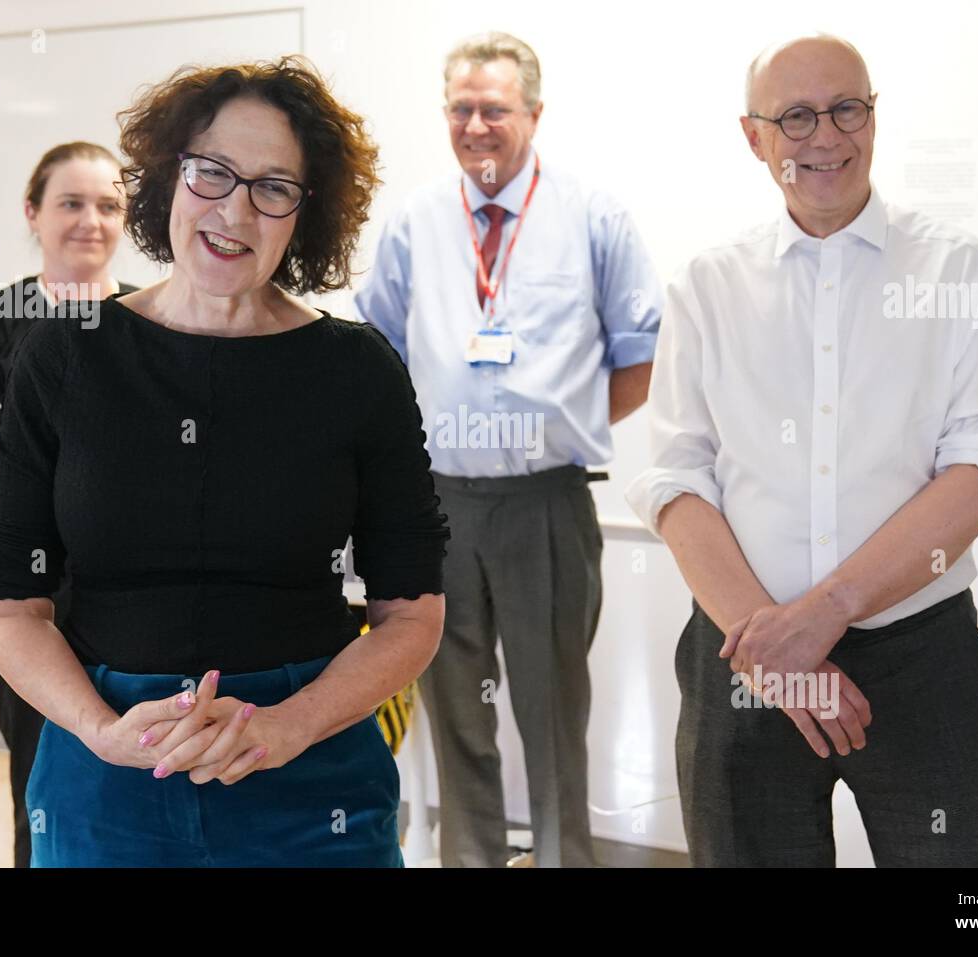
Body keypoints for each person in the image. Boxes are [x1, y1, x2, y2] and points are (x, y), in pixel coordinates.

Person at [0, 58, 449, 867]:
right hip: (107, 772)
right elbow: (10, 605)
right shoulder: (66, 356)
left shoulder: (356, 370)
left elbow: (412, 616)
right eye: (212, 172)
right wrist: (100, 730)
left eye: (274, 186)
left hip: (308, 774)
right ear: (167, 179)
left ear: (308, 211)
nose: (235, 209)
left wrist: (286, 726)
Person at [625, 34, 978, 867]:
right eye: (797, 116)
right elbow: (675, 478)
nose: (827, 137)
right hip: (741, 665)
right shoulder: (707, 285)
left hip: (922, 659)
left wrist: (825, 613)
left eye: (847, 108)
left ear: (874, 115)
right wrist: (768, 645)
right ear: (755, 136)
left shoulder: (964, 272)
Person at [354, 31, 662, 868]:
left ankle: (566, 859)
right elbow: (376, 345)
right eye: (461, 108)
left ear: (533, 111)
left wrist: (566, 422)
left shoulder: (592, 215)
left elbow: (641, 352)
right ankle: (473, 861)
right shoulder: (417, 220)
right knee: (456, 709)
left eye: (494, 108)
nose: (476, 125)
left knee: (553, 708)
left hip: (548, 501)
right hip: (438, 504)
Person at [0, 141, 137, 867]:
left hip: (133, 596)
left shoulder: (152, 321)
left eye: (109, 205)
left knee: (135, 786)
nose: (92, 221)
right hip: (24, 600)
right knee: (41, 785)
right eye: (71, 203)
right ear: (33, 213)